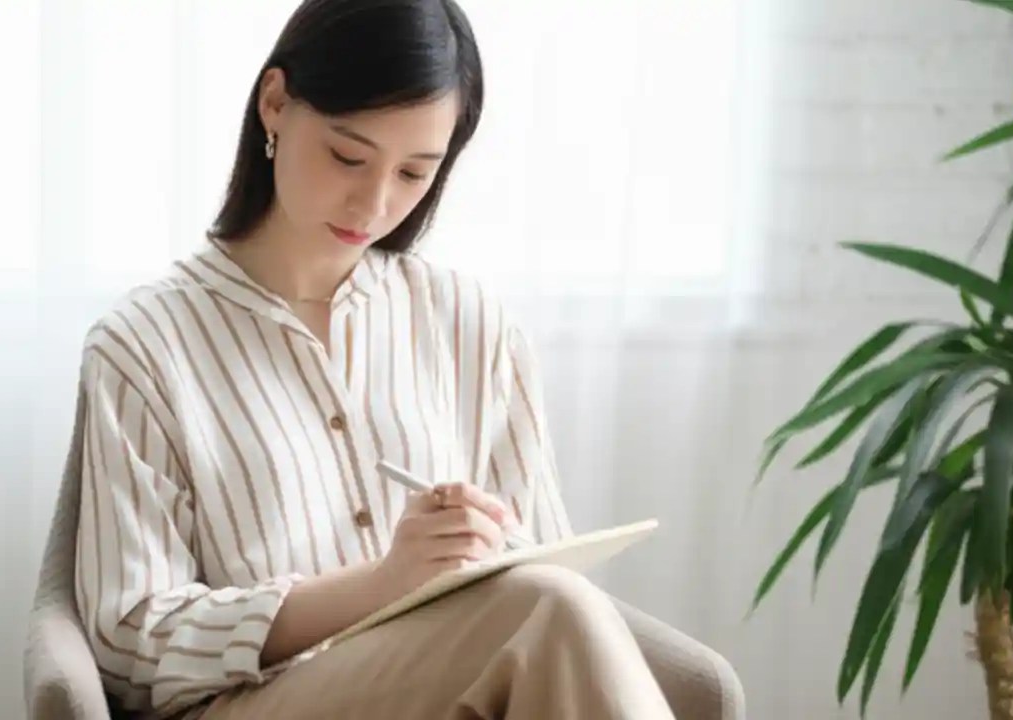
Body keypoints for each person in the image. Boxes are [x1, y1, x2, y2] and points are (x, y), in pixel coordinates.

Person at [73, 1, 743, 718]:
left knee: (549, 602)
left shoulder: (471, 325)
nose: (374, 201)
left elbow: (541, 564)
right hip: (251, 703)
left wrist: (478, 548)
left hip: (459, 689)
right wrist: (385, 581)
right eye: (348, 156)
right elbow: (131, 637)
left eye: (416, 173)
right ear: (275, 104)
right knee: (545, 610)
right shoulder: (145, 343)